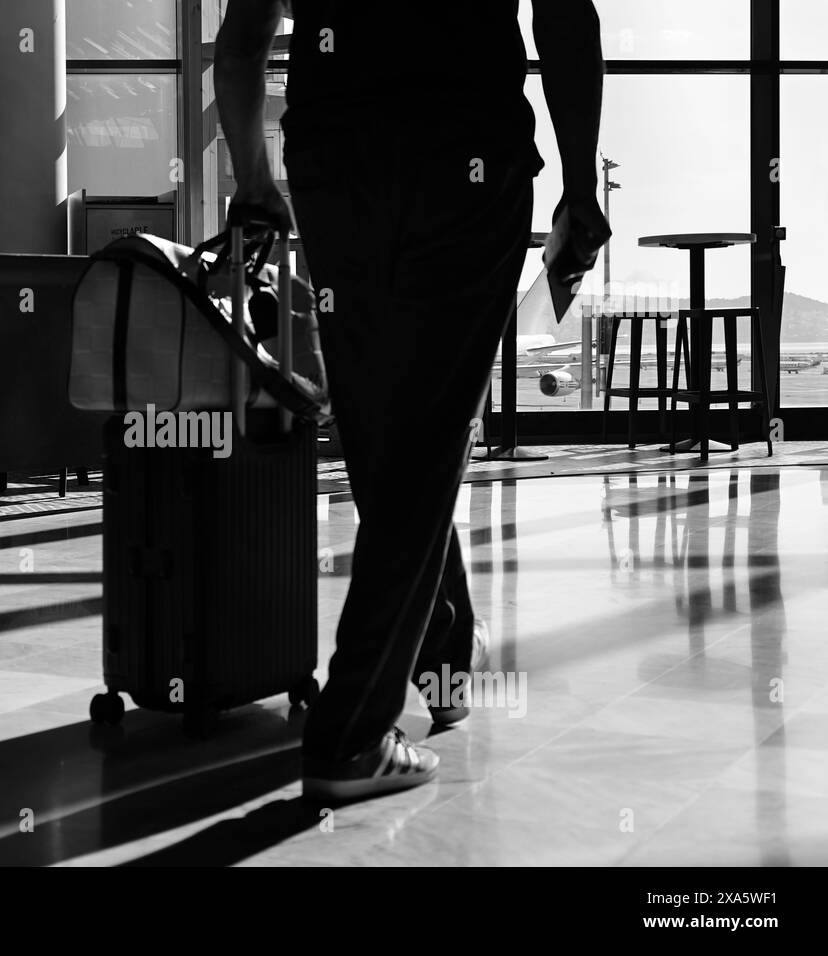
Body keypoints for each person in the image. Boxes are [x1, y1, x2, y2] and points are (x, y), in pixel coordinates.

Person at [215, 0, 609, 802]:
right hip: (466, 156)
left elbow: (246, 34)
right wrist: (578, 181)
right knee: (428, 429)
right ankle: (352, 731)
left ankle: (444, 653)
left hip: (337, 163)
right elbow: (567, 18)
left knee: (381, 423)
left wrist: (254, 178)